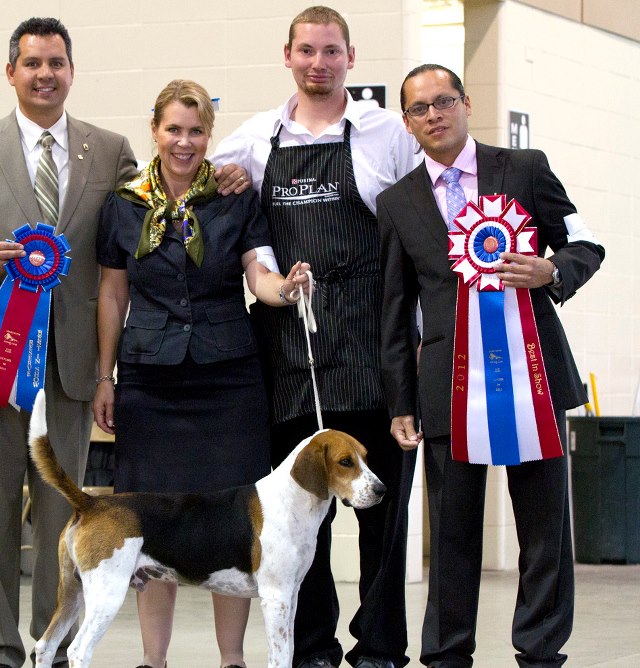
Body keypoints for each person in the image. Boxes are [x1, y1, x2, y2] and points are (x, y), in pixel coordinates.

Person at [0, 17, 138, 668]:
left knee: (64, 518)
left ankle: (58, 645)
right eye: (32, 63)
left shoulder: (110, 149)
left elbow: (138, 231)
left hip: (72, 365)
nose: (45, 74)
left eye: (57, 62)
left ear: (72, 70)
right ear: (10, 72)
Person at [211, 7, 420, 668]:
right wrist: (227, 180)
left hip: (376, 342)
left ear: (351, 59)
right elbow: (202, 183)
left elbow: (424, 231)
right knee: (302, 520)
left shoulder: (389, 134)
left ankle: (380, 648)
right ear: (288, 55)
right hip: (291, 349)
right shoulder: (251, 139)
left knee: (383, 516)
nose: (319, 63)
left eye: (331, 52)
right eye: (307, 51)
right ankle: (311, 649)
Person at [378, 64, 604, 667]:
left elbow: (586, 244)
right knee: (451, 535)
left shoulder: (524, 169)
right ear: (407, 122)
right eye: (420, 108)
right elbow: (395, 313)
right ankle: (448, 656)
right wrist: (401, 401)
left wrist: (552, 271)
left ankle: (540, 652)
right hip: (445, 391)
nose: (434, 114)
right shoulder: (398, 203)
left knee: (545, 533)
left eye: (444, 101)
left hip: (534, 380)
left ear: (466, 103)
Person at [94, 79, 311, 668]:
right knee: (151, 521)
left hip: (228, 381)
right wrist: (104, 376)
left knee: (233, 525)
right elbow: (112, 295)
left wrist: (283, 290)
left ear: (209, 136)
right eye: (173, 130)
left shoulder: (236, 196)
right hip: (149, 379)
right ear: (155, 130)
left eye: (196, 131)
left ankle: (232, 661)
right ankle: (153, 660)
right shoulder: (122, 204)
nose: (184, 142)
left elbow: (257, 273)